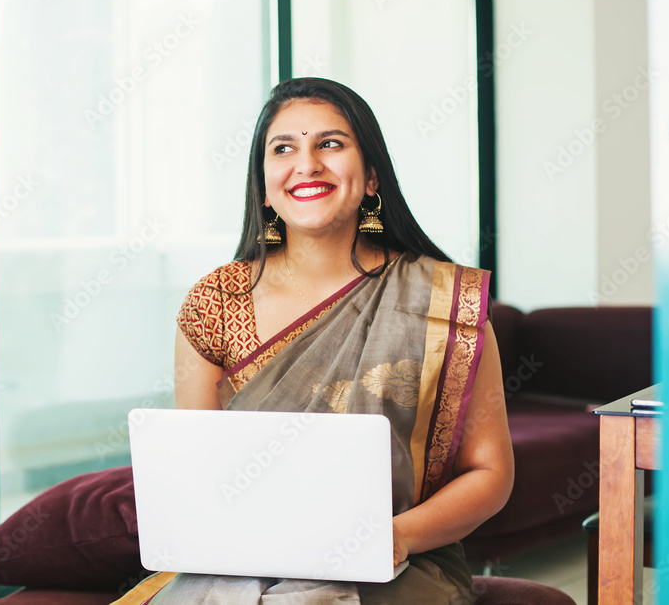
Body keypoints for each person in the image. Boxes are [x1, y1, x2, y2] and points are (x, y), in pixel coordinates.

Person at [115, 77, 514, 604]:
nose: (307, 164)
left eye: (330, 143)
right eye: (284, 149)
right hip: (238, 561)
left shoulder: (445, 301)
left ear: (372, 176)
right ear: (263, 182)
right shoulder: (215, 301)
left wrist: (387, 538)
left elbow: (490, 473)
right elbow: (197, 475)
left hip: (397, 560)